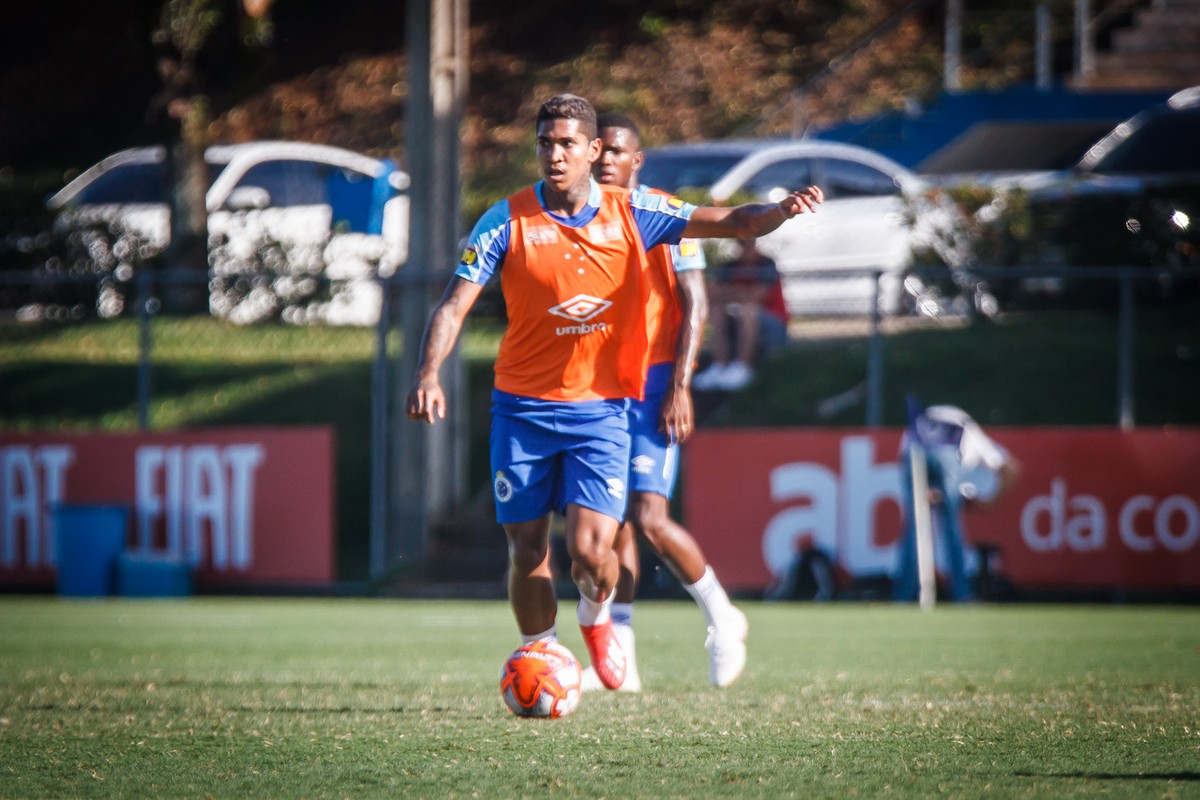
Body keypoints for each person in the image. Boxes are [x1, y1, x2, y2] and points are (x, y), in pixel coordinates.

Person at [405, 94, 823, 692]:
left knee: (591, 550)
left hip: (601, 412)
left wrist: (779, 210)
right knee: (527, 549)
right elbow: (452, 304)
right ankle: (540, 655)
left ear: (593, 150)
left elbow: (733, 221)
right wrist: (427, 373)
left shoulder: (638, 211)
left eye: (568, 143)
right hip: (521, 410)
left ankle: (598, 618)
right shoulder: (505, 220)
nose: (555, 154)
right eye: (546, 143)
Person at [581, 112, 746, 692]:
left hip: (654, 383)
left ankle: (722, 617)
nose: (606, 161)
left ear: (636, 159)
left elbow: (696, 302)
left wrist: (680, 385)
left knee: (649, 518)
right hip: (598, 384)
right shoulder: (577, 216)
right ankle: (621, 645)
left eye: (618, 152)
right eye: (600, 150)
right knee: (612, 520)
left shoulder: (662, 211)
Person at [893, 404, 1021, 602]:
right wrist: (990, 501)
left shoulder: (921, 422)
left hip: (914, 451)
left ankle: (902, 597)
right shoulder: (972, 432)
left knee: (914, 531)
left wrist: (929, 493)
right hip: (948, 455)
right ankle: (962, 594)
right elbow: (1011, 468)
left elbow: (906, 460)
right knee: (951, 528)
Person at [692, 237, 789, 392]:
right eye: (742, 242)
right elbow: (711, 293)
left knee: (747, 309)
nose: (746, 246)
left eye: (749, 242)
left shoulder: (766, 264)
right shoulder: (731, 266)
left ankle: (743, 367)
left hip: (773, 324)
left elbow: (757, 296)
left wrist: (729, 293)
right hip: (741, 320)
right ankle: (719, 365)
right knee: (717, 310)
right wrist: (740, 293)